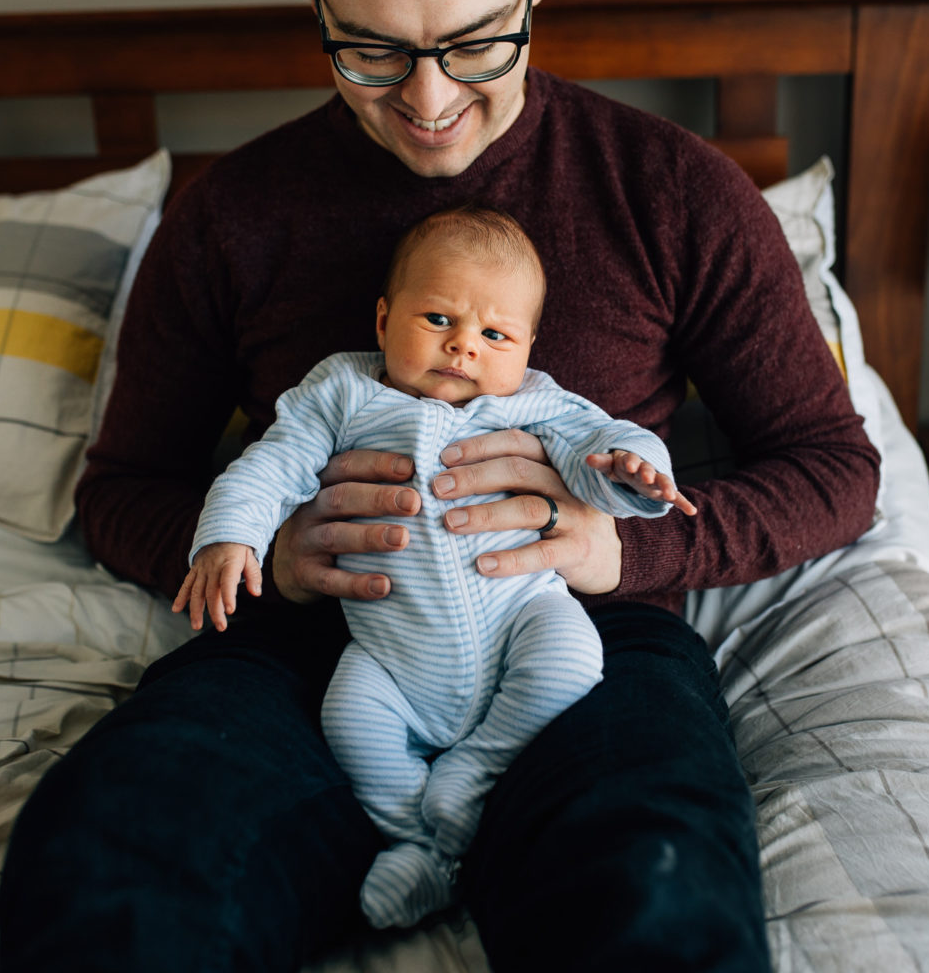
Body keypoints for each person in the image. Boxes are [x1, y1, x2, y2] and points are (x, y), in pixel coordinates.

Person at [0, 0, 880, 970]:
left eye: (474, 43)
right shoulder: (229, 218)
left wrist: (615, 550)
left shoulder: (672, 191)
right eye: (370, 51)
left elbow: (832, 468)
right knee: (112, 862)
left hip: (582, 639)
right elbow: (121, 489)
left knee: (656, 892)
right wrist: (271, 554)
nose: (426, 99)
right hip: (304, 652)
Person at [173, 203, 697, 929]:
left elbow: (601, 448)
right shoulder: (343, 392)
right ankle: (424, 848)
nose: (464, 349)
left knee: (575, 657)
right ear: (383, 320)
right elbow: (270, 466)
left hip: (519, 618)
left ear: (529, 347)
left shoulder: (534, 401)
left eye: (494, 334)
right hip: (390, 654)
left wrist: (635, 470)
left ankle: (473, 774)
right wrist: (231, 539)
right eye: (439, 320)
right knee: (349, 719)